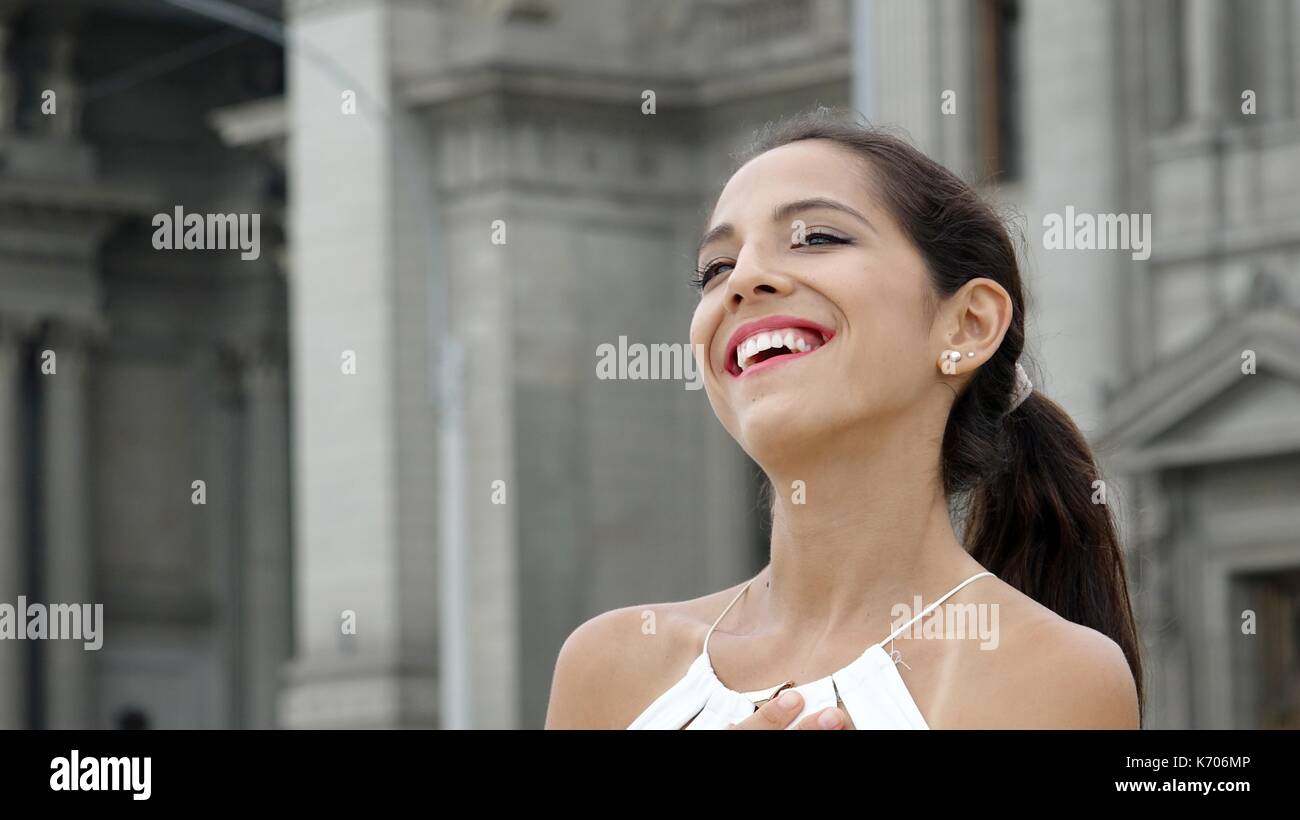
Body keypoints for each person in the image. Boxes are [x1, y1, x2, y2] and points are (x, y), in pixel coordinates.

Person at [545, 108, 1142, 730]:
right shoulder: (607, 666)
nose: (743, 279)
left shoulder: (1050, 676)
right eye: (715, 269)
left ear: (968, 325)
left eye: (817, 238)